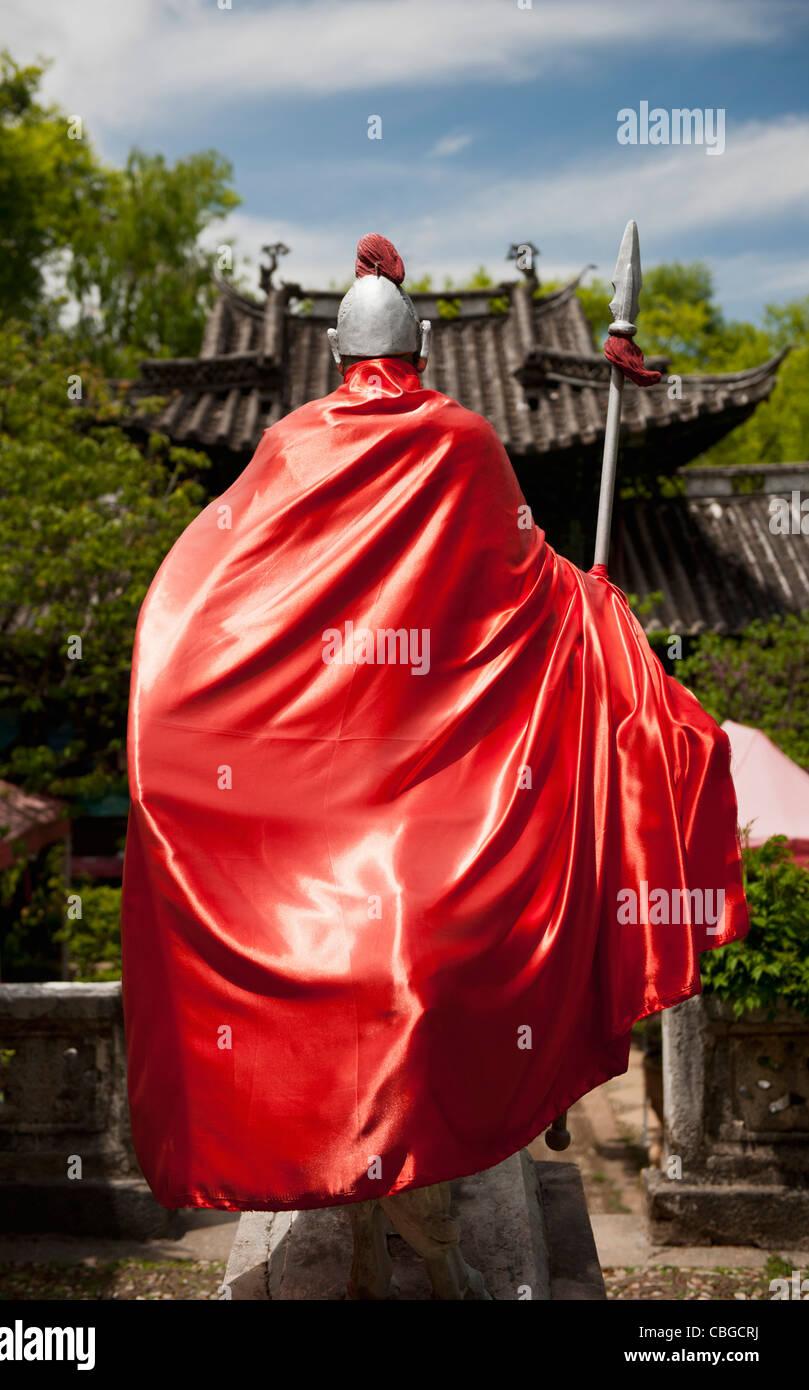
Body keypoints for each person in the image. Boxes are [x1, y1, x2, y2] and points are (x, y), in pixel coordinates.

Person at [121, 233, 749, 1300]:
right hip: (442, 850)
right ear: (420, 349)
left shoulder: (289, 448)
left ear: (332, 351)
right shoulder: (466, 443)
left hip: (312, 860)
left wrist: (177, 743)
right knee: (471, 933)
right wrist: (589, 608)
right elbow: (524, 593)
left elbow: (205, 612)